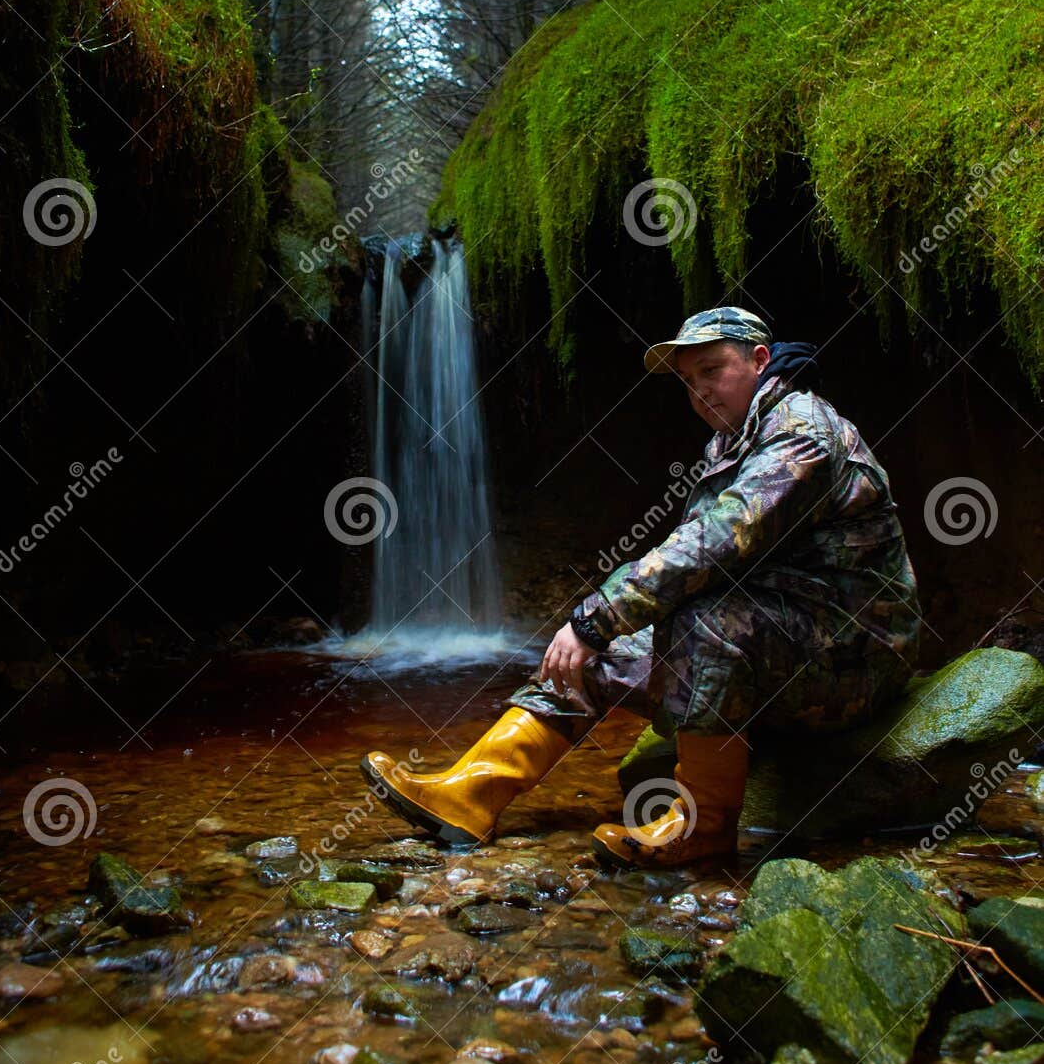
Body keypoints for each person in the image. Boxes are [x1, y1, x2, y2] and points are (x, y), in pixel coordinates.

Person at [360, 305, 922, 871]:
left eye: (712, 370)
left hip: (855, 654)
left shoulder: (803, 431)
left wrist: (596, 617)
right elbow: (691, 564)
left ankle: (702, 829)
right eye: (689, 380)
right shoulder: (732, 442)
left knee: (703, 622)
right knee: (597, 656)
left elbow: (717, 542)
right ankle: (471, 794)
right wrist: (599, 634)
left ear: (759, 360)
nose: (701, 391)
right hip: (783, 646)